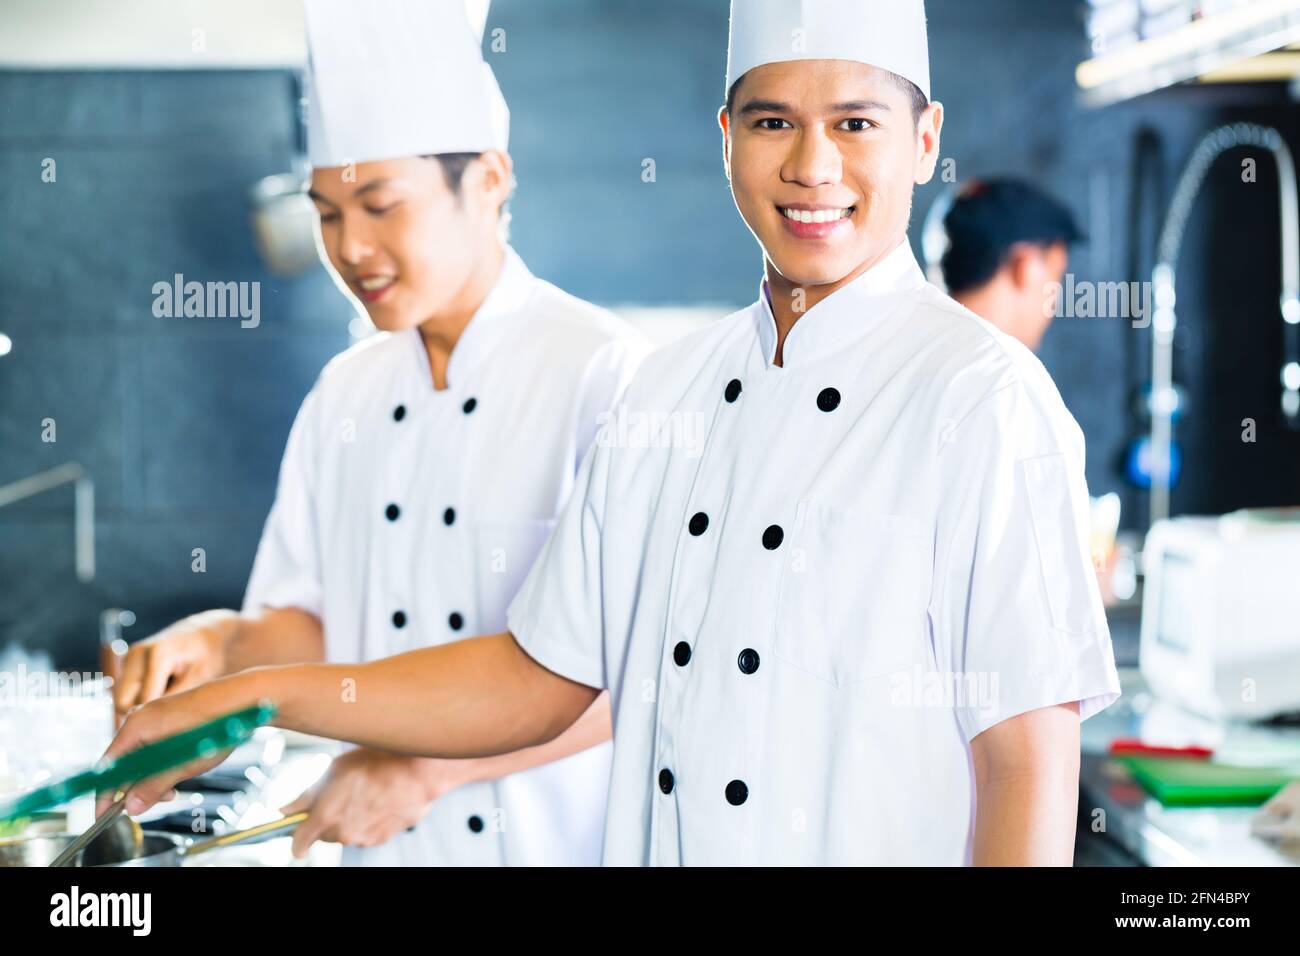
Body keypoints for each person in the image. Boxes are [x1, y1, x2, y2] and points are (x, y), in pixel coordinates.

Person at [104, 0, 1120, 866]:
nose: (813, 165)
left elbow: (1024, 757)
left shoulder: (981, 396)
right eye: (772, 121)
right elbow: (540, 675)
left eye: (856, 122)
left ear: (926, 138)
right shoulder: (669, 391)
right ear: (725, 133)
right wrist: (248, 696)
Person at [109, 0, 646, 866]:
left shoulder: (605, 374)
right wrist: (221, 646)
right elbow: (319, 622)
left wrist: (424, 768)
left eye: (380, 204)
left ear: (490, 181)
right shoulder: (344, 393)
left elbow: (643, 671)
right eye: (326, 213)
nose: (350, 247)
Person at [940, 178, 1084, 351]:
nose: (1054, 305)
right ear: (1026, 268)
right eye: (1056, 279)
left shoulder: (912, 350)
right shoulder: (1008, 373)